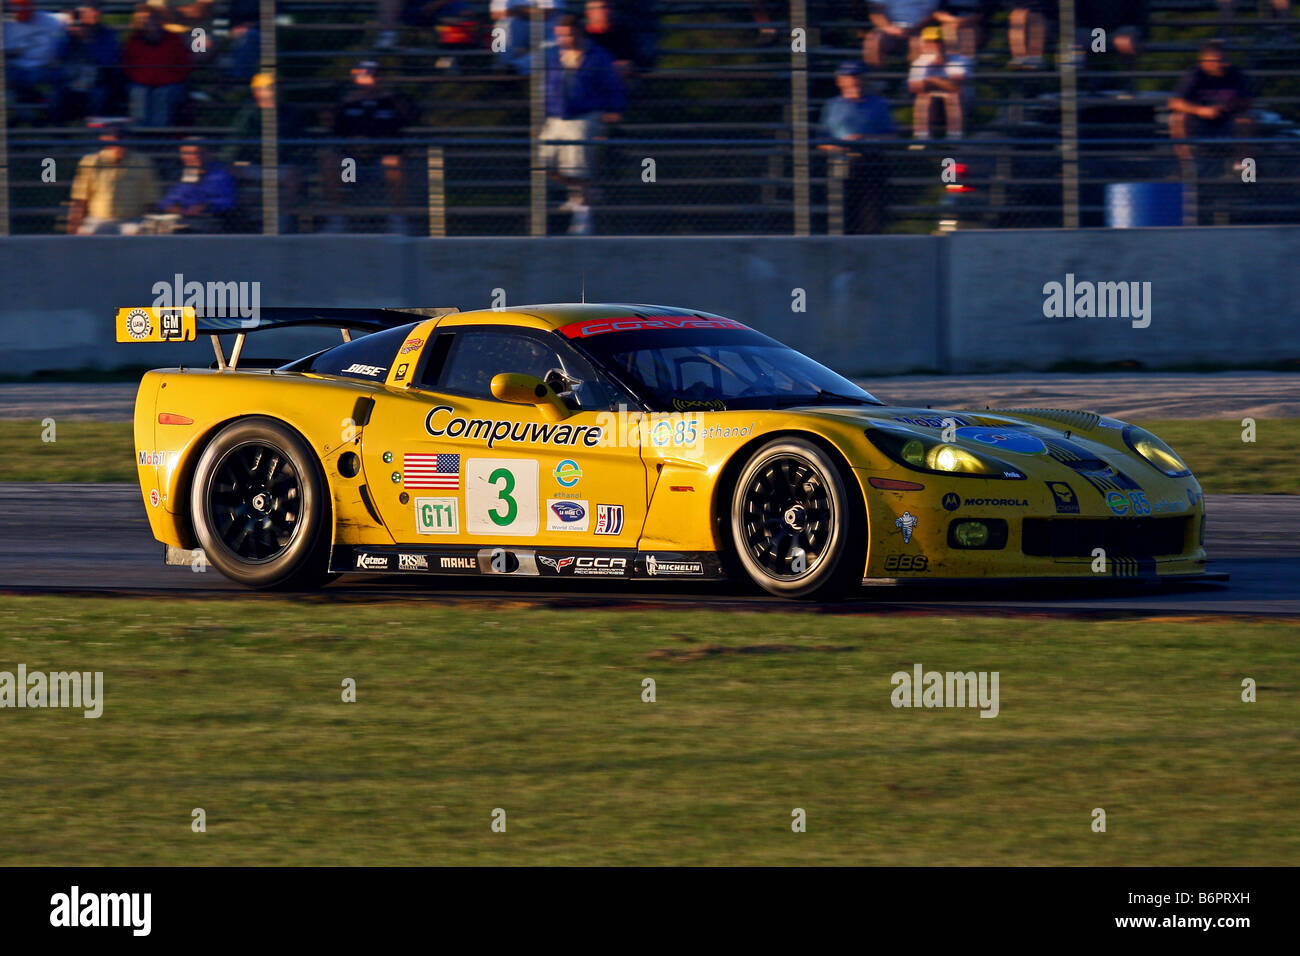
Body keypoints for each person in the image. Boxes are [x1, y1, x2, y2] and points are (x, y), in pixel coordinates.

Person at [540, 16, 626, 235]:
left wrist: (614, 110)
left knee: (579, 166)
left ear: (579, 33)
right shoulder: (554, 57)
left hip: (585, 114)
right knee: (543, 164)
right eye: (560, 34)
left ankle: (583, 216)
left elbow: (612, 85)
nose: (563, 39)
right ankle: (581, 194)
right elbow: (547, 86)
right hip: (557, 115)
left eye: (568, 34)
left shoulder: (598, 56)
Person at [327, 59, 417, 233]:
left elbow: (410, 118)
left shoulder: (393, 100)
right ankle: (337, 217)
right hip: (353, 166)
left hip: (380, 164)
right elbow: (334, 128)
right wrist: (344, 104)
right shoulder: (347, 102)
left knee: (393, 163)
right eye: (364, 75)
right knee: (332, 162)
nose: (369, 79)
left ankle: (397, 218)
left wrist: (387, 97)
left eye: (374, 75)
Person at [819, 61, 897, 234]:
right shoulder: (833, 106)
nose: (854, 81)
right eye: (849, 77)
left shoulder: (879, 104)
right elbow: (822, 140)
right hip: (843, 164)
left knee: (873, 216)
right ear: (840, 81)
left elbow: (891, 135)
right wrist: (840, 146)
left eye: (857, 76)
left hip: (872, 163)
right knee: (845, 215)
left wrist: (865, 139)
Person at [224, 73, 306, 232]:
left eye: (273, 88)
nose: (271, 92)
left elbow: (300, 143)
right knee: (227, 172)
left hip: (281, 165)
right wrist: (231, 161)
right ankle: (238, 220)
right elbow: (236, 142)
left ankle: (283, 219)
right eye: (265, 89)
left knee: (293, 176)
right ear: (256, 92)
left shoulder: (290, 113)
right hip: (255, 165)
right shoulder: (249, 114)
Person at [67, 121, 161, 234]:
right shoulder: (91, 162)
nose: (119, 143)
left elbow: (151, 200)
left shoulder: (142, 161)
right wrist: (75, 224)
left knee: (138, 232)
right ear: (105, 140)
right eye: (115, 138)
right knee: (88, 232)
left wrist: (150, 223)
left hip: (132, 220)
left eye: (122, 138)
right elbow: (80, 199)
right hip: (98, 219)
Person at [1168, 41, 1252, 163]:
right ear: (1204, 62)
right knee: (1177, 119)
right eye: (1217, 61)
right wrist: (1200, 110)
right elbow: (1175, 103)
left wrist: (1227, 106)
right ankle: (1187, 167)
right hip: (1198, 121)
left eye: (1223, 60)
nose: (1222, 64)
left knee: (1246, 121)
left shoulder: (1236, 74)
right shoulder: (1194, 75)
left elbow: (1248, 102)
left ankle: (1245, 169)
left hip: (1228, 119)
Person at [122, 6, 192, 126]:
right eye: (141, 19)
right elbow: (127, 66)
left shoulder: (174, 39)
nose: (146, 22)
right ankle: (139, 133)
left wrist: (165, 80)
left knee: (162, 95)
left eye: (149, 18)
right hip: (142, 84)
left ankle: (159, 135)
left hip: (170, 84)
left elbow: (184, 65)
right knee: (138, 93)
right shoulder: (133, 41)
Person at [53, 0, 122, 122]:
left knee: (100, 97)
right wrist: (70, 36)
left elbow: (108, 61)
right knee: (56, 98)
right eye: (90, 9)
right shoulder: (69, 33)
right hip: (71, 82)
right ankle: (61, 134)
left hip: (97, 82)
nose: (95, 13)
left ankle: (94, 135)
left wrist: (89, 41)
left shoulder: (107, 34)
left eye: (97, 9)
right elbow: (58, 55)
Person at [159, 140, 239, 231]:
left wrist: (206, 206)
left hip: (213, 221)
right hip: (185, 220)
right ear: (182, 157)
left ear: (208, 154)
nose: (195, 157)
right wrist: (172, 205)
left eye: (199, 153)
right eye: (188, 154)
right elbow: (169, 199)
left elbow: (228, 201)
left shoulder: (221, 174)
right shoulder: (185, 174)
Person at [908, 25, 971, 139]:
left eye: (937, 41)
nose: (933, 45)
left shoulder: (960, 60)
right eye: (929, 41)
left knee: (952, 97)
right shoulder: (921, 62)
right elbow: (914, 87)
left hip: (962, 102)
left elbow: (955, 88)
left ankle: (954, 138)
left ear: (944, 43)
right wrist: (941, 81)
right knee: (922, 97)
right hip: (933, 102)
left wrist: (932, 80)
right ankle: (921, 138)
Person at [4, 0, 66, 109]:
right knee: (13, 77)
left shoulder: (50, 20)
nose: (21, 17)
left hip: (42, 67)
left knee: (59, 75)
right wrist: (10, 53)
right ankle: (31, 100)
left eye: (25, 12)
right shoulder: (5, 23)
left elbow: (65, 20)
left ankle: (48, 108)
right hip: (14, 68)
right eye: (17, 12)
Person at [864, 0, 939, 69]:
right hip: (889, 29)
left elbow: (933, 15)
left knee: (919, 43)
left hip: (920, 29)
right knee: (873, 40)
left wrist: (914, 29)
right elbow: (876, 14)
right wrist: (890, 28)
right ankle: (877, 78)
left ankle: (915, 77)